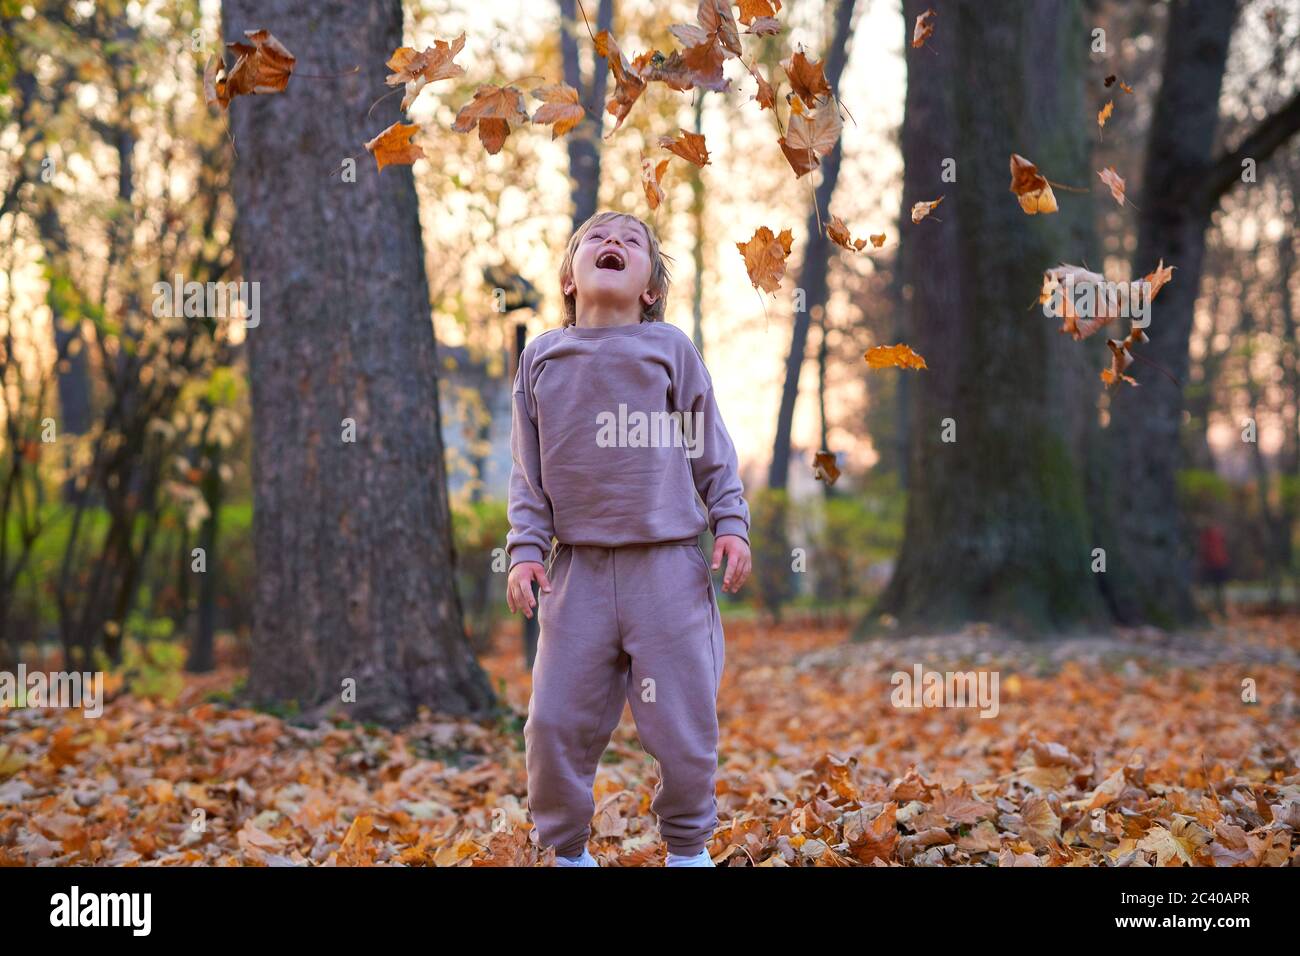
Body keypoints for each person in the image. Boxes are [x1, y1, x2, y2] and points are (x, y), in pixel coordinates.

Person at [505, 211, 752, 867]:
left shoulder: (669, 346)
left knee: (681, 725)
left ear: (649, 288)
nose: (612, 243)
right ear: (569, 275)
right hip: (575, 574)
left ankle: (688, 848)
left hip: (666, 570)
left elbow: (713, 452)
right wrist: (525, 552)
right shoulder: (541, 358)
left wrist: (731, 524)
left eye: (631, 241)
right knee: (553, 723)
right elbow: (527, 476)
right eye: (596, 238)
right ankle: (566, 851)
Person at [1199, 522, 1230, 616]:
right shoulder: (1218, 533)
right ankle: (1220, 610)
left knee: (1214, 588)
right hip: (1220, 564)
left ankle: (1217, 609)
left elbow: (1204, 550)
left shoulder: (1206, 536)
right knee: (1219, 588)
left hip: (1213, 565)